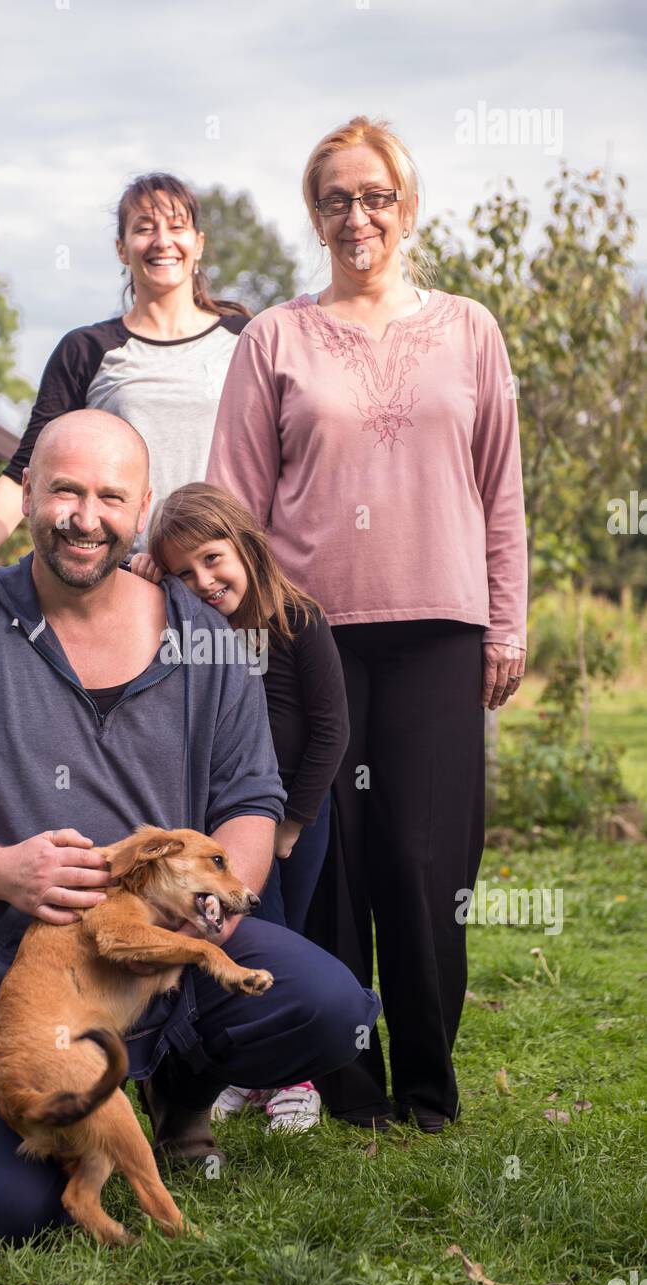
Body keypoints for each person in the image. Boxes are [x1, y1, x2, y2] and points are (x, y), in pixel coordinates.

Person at [0, 408, 381, 1245]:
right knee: (1, 1213)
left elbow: (250, 797)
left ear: (141, 510)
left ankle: (178, 1083)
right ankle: (54, 1106)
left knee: (333, 1009)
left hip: (167, 946)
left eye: (109, 497)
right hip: (11, 973)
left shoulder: (204, 640)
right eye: (64, 491)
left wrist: (215, 905)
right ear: (26, 499)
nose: (84, 516)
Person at [205, 115, 529, 1135]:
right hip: (311, 636)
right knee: (329, 859)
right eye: (338, 198)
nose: (359, 215)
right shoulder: (275, 338)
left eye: (376, 196)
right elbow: (234, 499)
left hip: (440, 626)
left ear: (408, 207)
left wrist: (506, 618)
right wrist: (236, 634)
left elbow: (501, 486)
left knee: (427, 861)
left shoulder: (471, 328)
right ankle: (350, 1089)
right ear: (315, 214)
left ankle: (429, 1092)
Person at [0, 172, 251, 610]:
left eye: (176, 227)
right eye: (144, 228)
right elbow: (25, 468)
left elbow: (275, 460)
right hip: (134, 582)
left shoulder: (246, 339)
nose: (162, 241)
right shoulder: (87, 350)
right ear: (122, 248)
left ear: (199, 243)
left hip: (225, 580)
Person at [134, 481, 350, 1134]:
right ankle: (245, 1072)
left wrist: (291, 823)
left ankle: (295, 1078)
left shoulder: (295, 620)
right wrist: (139, 571)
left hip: (290, 823)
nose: (201, 579)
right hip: (222, 822)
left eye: (212, 558)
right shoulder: (189, 636)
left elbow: (331, 728)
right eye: (181, 571)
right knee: (229, 932)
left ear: (244, 545)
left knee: (282, 937)